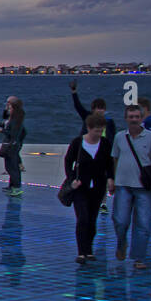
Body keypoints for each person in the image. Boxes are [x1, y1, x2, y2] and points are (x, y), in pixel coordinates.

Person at [110, 104, 151, 269]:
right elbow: (115, 159)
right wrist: (113, 180)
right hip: (123, 185)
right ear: (126, 119)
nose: (134, 120)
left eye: (137, 117)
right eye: (131, 117)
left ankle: (138, 258)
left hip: (144, 187)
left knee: (143, 224)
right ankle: (122, 243)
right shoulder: (119, 137)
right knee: (120, 220)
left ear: (141, 118)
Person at [63, 112, 114, 264]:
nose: (98, 134)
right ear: (89, 128)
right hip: (80, 187)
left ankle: (89, 250)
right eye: (96, 130)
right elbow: (68, 161)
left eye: (101, 131)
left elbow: (109, 163)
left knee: (92, 220)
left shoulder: (105, 144)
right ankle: (81, 252)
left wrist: (110, 178)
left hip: (98, 188)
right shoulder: (78, 143)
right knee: (82, 218)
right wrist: (71, 179)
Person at [0, 97, 26, 196]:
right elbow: (4, 116)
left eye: (9, 105)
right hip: (12, 143)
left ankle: (16, 187)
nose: (7, 106)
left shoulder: (16, 119)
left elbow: (14, 133)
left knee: (12, 167)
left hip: (12, 145)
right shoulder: (14, 117)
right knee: (11, 166)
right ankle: (12, 186)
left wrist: (3, 131)